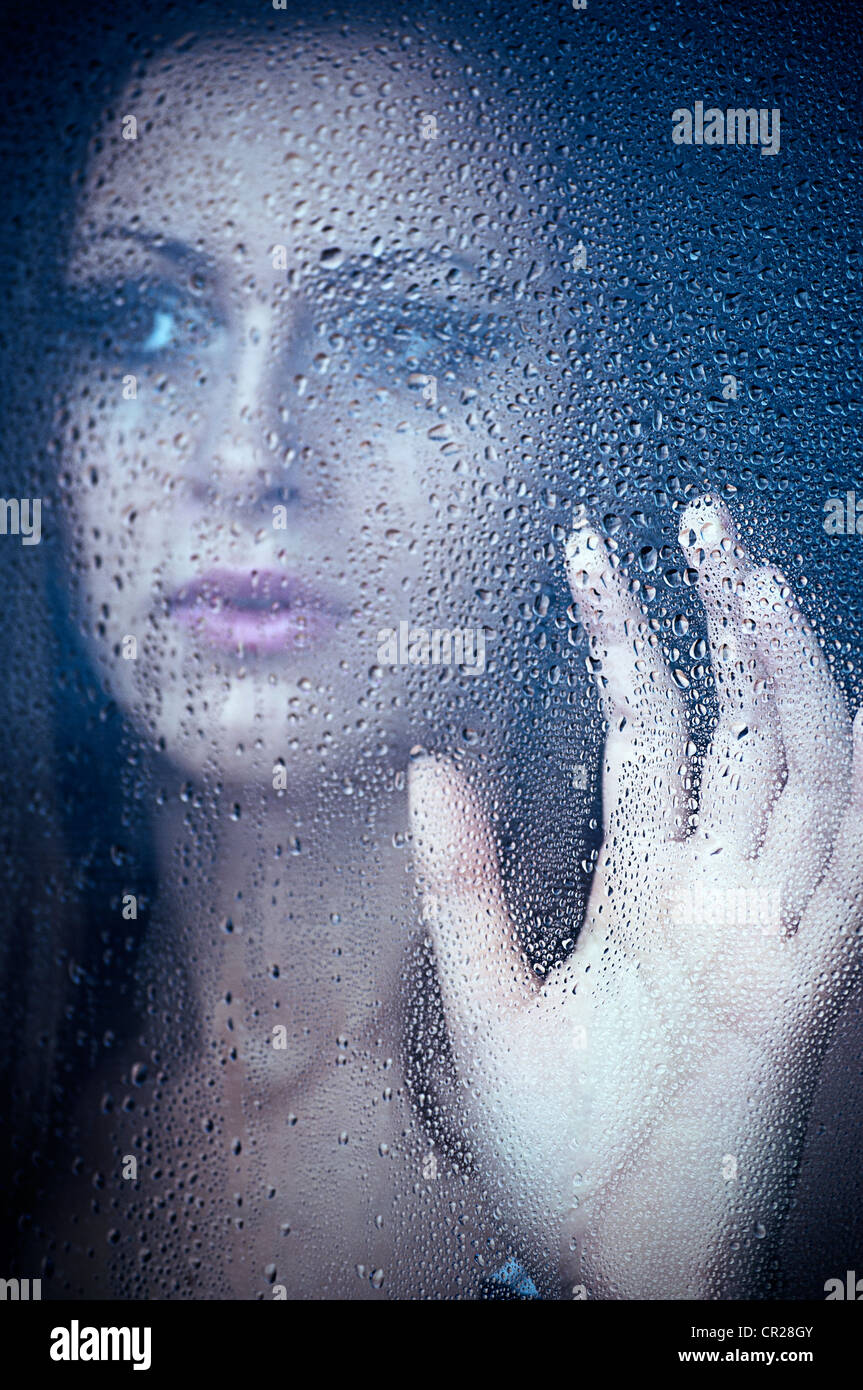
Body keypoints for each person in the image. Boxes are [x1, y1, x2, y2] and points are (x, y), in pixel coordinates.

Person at [4, 0, 862, 1299]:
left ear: (597, 425)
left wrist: (664, 1289)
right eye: (145, 325)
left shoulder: (796, 1069)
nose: (248, 457)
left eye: (409, 338)